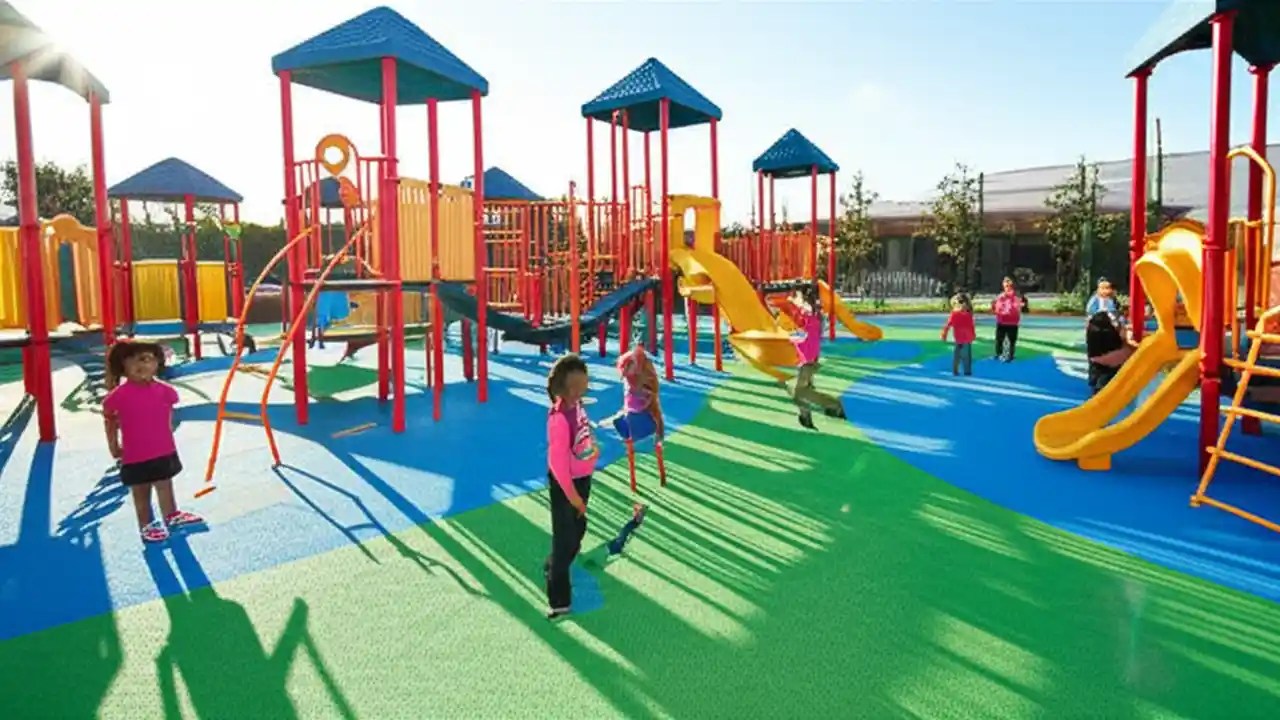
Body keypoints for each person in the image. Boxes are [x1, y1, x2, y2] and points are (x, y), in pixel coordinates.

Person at [103, 340, 204, 544]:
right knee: (141, 491)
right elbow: (110, 422)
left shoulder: (165, 391)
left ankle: (171, 514)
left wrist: (166, 433)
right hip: (135, 454)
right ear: (122, 366)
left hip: (163, 449)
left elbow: (168, 414)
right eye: (134, 360)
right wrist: (114, 447)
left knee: (165, 483)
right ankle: (146, 524)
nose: (143, 364)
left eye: (148, 359)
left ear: (158, 362)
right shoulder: (118, 397)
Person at [544, 353, 600, 620]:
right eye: (576, 387)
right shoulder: (558, 419)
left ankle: (555, 563)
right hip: (566, 484)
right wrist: (573, 497)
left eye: (584, 384)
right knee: (565, 540)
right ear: (563, 389)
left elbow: (584, 431)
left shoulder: (576, 407)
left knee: (579, 528)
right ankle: (559, 601)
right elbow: (557, 465)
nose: (582, 390)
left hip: (582, 479)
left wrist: (593, 447)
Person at [789, 283, 847, 430]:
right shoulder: (811, 315)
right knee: (804, 390)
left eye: (798, 296)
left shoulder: (810, 316)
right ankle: (806, 417)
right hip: (808, 360)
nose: (795, 298)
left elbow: (804, 336)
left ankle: (834, 405)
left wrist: (792, 336)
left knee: (801, 393)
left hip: (808, 361)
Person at [1086, 311, 1136, 394]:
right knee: (1128, 352)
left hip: (1094, 359)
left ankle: (1096, 382)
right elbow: (1118, 344)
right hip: (1108, 359)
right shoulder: (1109, 331)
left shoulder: (1092, 330)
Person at [941, 292, 976, 376]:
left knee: (966, 356)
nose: (961, 306)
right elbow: (948, 325)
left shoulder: (968, 315)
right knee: (957, 356)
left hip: (966, 339)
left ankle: (967, 371)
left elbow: (971, 326)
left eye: (962, 303)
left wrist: (973, 335)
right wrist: (944, 334)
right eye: (957, 303)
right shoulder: (954, 315)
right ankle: (955, 371)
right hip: (958, 339)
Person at [991, 276, 1023, 362]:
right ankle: (999, 354)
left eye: (1009, 285)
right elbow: (996, 307)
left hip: (1011, 322)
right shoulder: (1000, 297)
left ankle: (1010, 355)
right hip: (1002, 321)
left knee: (1011, 340)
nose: (1008, 287)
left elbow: (1017, 308)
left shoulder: (1016, 297)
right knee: (999, 339)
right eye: (1006, 284)